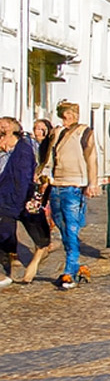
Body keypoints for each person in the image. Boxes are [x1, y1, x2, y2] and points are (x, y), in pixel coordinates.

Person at [45, 101, 99, 291]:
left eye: (70, 113)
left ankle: (69, 271)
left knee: (72, 227)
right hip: (56, 185)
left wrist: (92, 183)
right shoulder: (58, 133)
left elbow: (91, 157)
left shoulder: (84, 132)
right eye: (64, 114)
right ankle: (77, 266)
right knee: (62, 226)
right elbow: (48, 156)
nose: (67, 117)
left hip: (74, 185)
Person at [16, 120, 56, 283]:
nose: (38, 132)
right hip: (33, 187)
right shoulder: (30, 145)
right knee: (33, 217)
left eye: (41, 129)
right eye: (35, 128)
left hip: (45, 187)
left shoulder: (50, 147)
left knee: (40, 218)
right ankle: (41, 247)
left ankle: (41, 248)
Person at [0, 118, 35, 287]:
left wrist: (19, 201)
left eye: (3, 129)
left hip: (10, 199)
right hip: (5, 199)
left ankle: (10, 262)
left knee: (6, 231)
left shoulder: (22, 151)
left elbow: (23, 179)